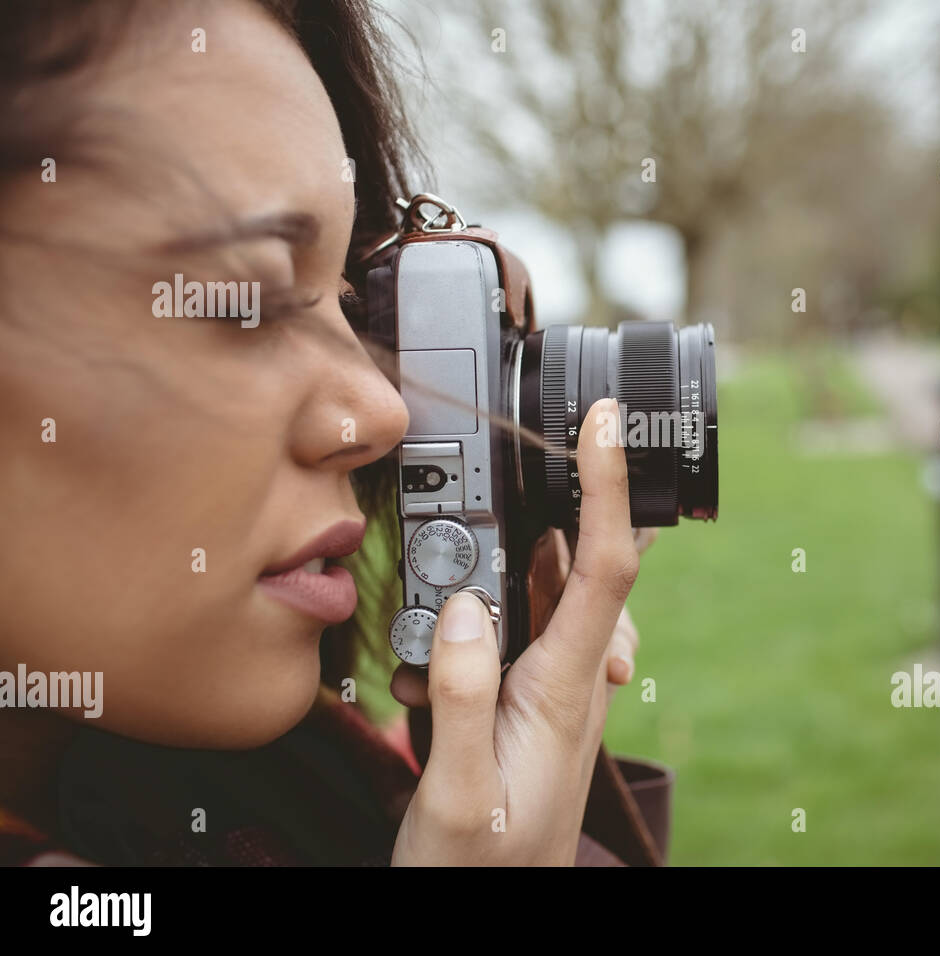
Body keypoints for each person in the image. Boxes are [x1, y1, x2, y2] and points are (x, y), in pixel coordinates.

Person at [0, 0, 648, 866]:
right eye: (250, 301)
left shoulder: (262, 795)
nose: (383, 415)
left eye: (348, 304)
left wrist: (517, 781)